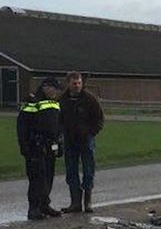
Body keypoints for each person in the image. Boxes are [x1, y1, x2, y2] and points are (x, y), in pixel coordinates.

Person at [17, 78, 64, 221]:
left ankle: (44, 205)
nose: (56, 92)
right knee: (37, 178)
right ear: (46, 87)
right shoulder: (32, 103)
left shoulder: (55, 104)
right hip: (35, 146)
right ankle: (34, 208)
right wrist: (25, 147)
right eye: (54, 89)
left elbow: (58, 126)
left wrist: (59, 144)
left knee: (48, 177)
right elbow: (22, 127)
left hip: (50, 146)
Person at [60, 71, 104, 214]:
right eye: (74, 83)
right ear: (68, 83)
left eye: (79, 83)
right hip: (70, 140)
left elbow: (99, 119)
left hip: (86, 140)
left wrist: (91, 132)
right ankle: (75, 202)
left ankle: (88, 202)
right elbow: (58, 119)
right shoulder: (63, 100)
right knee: (71, 171)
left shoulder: (90, 99)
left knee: (88, 170)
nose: (77, 85)